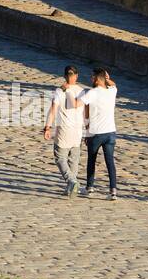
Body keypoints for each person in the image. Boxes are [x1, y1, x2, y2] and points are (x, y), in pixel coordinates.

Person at [43, 66, 86, 198]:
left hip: (64, 130)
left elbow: (53, 110)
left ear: (64, 76)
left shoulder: (59, 91)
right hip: (78, 129)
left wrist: (47, 127)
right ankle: (71, 188)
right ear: (76, 76)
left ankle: (71, 181)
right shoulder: (81, 91)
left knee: (60, 157)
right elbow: (85, 112)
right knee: (74, 159)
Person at [81, 67, 118, 200]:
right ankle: (113, 190)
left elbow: (81, 105)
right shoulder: (111, 92)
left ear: (96, 79)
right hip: (110, 132)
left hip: (95, 132)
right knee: (110, 162)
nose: (91, 79)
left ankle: (89, 187)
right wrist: (108, 79)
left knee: (92, 160)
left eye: (92, 77)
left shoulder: (92, 92)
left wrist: (85, 128)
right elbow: (114, 85)